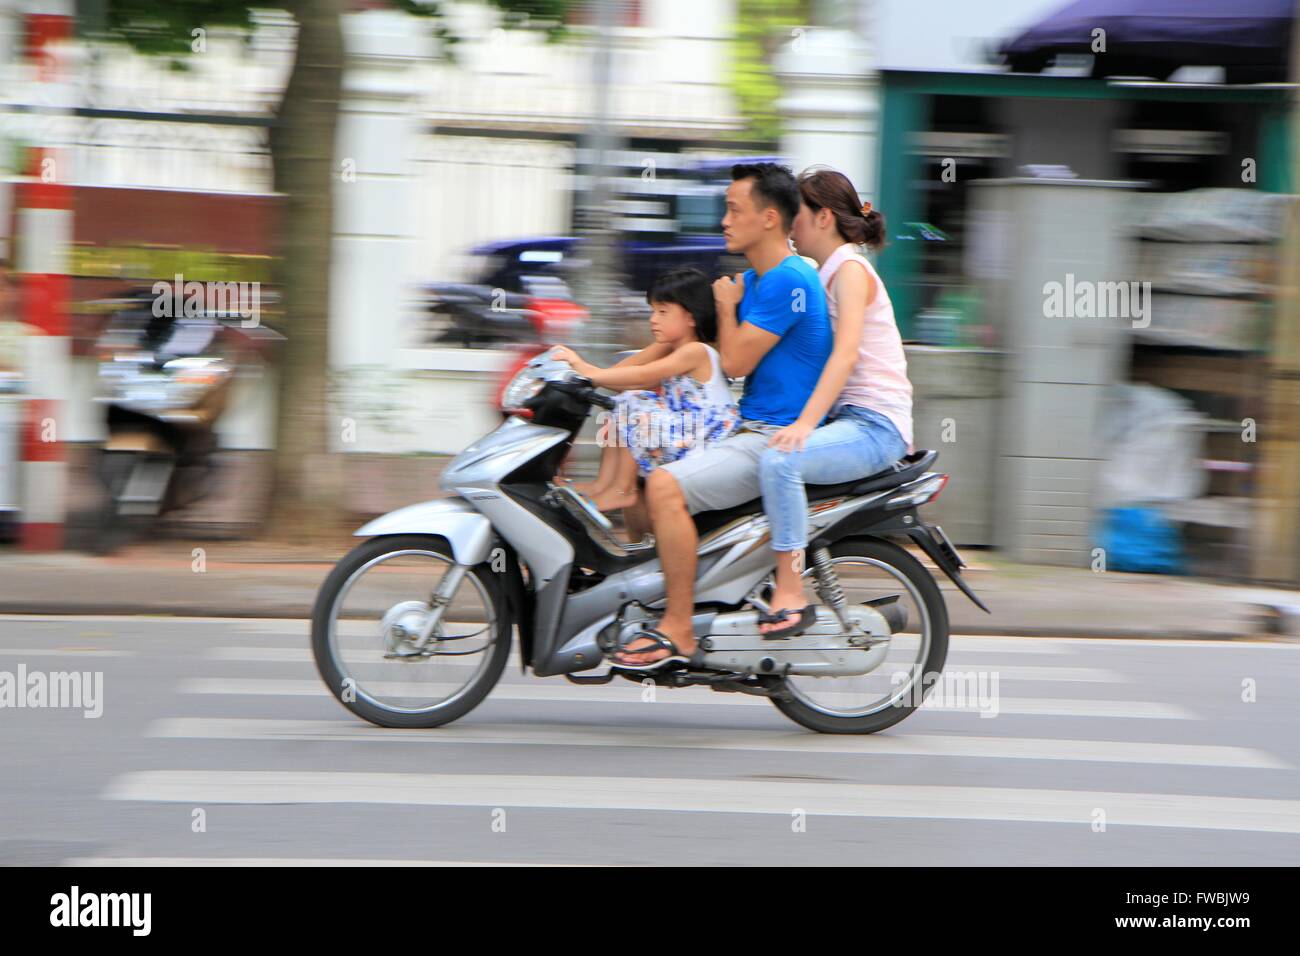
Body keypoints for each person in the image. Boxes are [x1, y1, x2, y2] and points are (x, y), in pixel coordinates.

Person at [613, 162, 833, 669]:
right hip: (746, 426)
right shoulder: (756, 280)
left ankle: (680, 628)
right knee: (643, 479)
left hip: (773, 435)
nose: (724, 222)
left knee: (665, 485)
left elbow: (733, 362)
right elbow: (697, 349)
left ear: (771, 218)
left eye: (734, 210)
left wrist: (728, 308)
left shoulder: (789, 280)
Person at [756, 167, 912, 634]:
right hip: (851, 420)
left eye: (796, 216)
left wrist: (803, 425)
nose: (789, 226)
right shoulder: (822, 274)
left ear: (823, 217)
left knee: (780, 461)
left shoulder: (849, 269)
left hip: (875, 426)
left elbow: (844, 356)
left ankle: (791, 592)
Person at [552, 268, 740, 527]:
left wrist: (583, 367)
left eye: (662, 312)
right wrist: (584, 377)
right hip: (685, 432)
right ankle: (604, 484)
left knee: (635, 400)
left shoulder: (696, 351)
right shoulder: (674, 347)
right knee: (621, 404)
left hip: (704, 439)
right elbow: (622, 374)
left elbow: (641, 376)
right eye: (653, 311)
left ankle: (621, 489)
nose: (653, 319)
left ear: (691, 317)